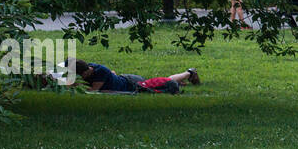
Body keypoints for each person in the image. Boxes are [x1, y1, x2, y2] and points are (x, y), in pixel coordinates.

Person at [67, 59, 200, 94]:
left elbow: (92, 91)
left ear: (84, 73)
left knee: (165, 81)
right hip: (124, 79)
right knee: (164, 80)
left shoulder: (99, 71)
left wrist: (73, 86)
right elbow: (111, 73)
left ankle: (189, 73)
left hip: (132, 83)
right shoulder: (91, 68)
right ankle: (185, 77)